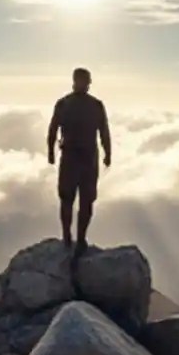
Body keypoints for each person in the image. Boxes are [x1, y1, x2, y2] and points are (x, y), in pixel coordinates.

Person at [47, 66, 111, 256]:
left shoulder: (86, 104)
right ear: (77, 81)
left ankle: (78, 238)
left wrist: (108, 153)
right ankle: (70, 236)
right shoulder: (68, 104)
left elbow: (104, 132)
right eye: (87, 80)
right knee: (70, 199)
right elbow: (52, 129)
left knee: (84, 200)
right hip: (78, 158)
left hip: (82, 158)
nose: (89, 84)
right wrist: (50, 151)